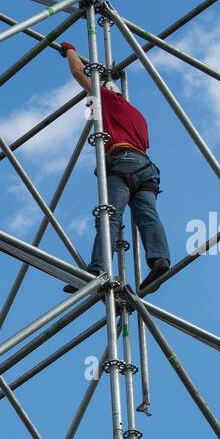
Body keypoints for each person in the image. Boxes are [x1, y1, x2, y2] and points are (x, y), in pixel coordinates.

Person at [61, 42, 170, 291]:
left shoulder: (109, 100)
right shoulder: (138, 115)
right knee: (148, 216)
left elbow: (79, 73)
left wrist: (70, 50)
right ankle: (159, 258)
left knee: (109, 215)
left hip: (123, 162)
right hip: (146, 167)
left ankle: (98, 269)